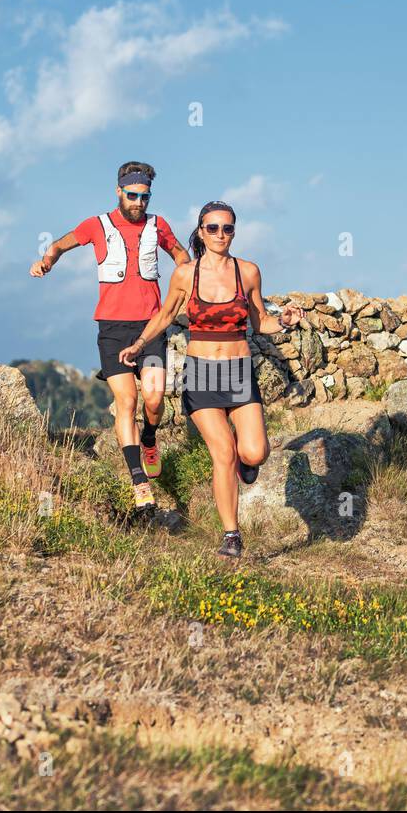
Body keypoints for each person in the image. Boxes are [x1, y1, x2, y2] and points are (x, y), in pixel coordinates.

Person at [118, 200, 303, 558]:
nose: (221, 234)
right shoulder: (186, 274)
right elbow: (166, 313)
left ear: (234, 231)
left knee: (254, 451)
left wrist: (284, 322)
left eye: (228, 228)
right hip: (201, 375)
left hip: (238, 373)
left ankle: (248, 465)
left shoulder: (247, 271)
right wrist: (139, 343)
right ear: (201, 231)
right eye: (213, 228)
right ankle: (231, 536)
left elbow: (260, 321)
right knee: (223, 452)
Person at [30, 162, 190, 514]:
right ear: (119, 191)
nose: (138, 202)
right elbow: (60, 244)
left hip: (151, 327)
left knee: (153, 398)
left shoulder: (157, 225)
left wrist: (187, 272)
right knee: (127, 401)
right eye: (132, 195)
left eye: (144, 197)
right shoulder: (97, 225)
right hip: (112, 329)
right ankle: (140, 484)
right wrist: (46, 261)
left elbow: (180, 253)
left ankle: (149, 438)